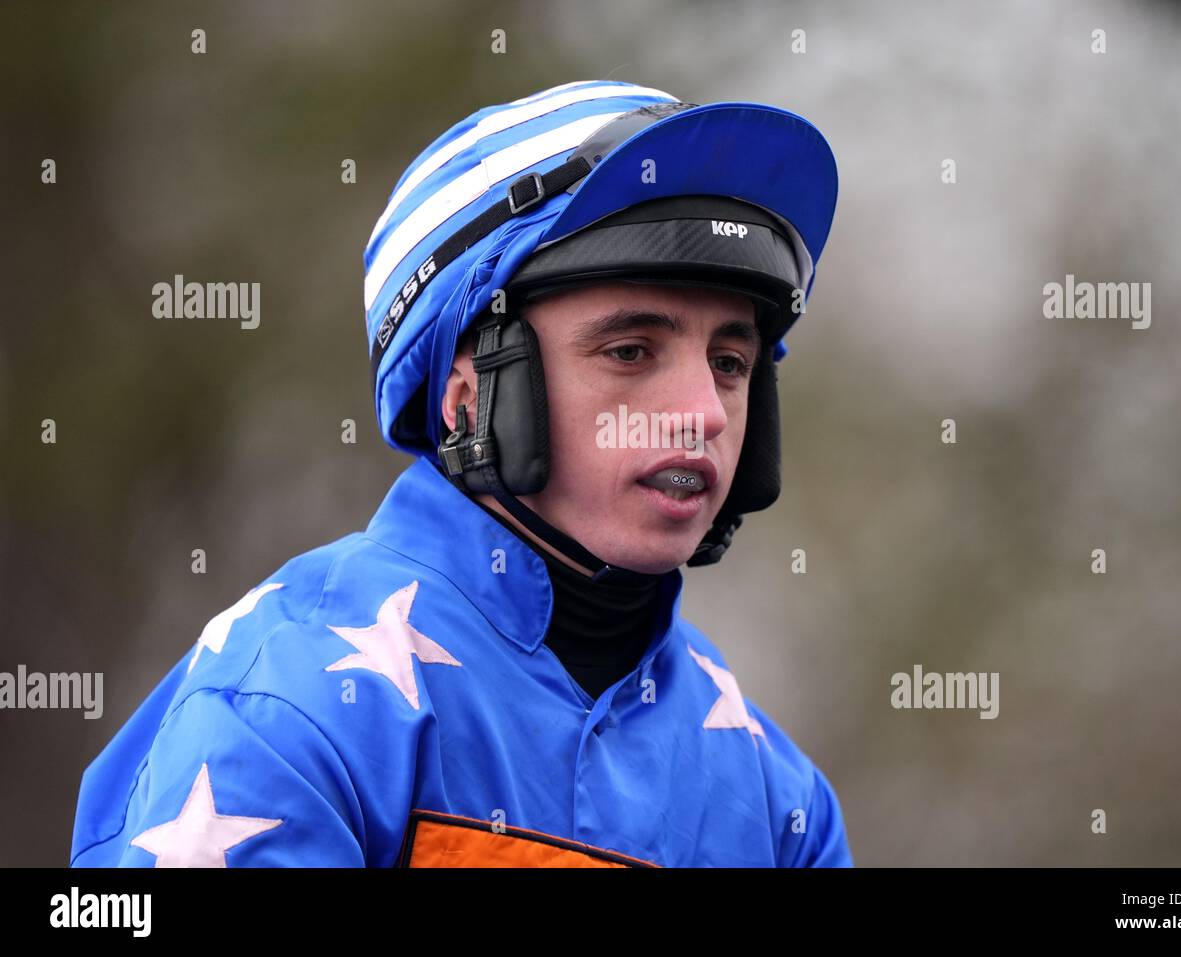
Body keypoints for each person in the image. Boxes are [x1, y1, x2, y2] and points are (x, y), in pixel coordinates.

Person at [69, 80, 852, 867]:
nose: (702, 413)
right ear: (468, 397)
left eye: (729, 361)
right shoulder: (289, 707)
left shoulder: (780, 800)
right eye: (630, 351)